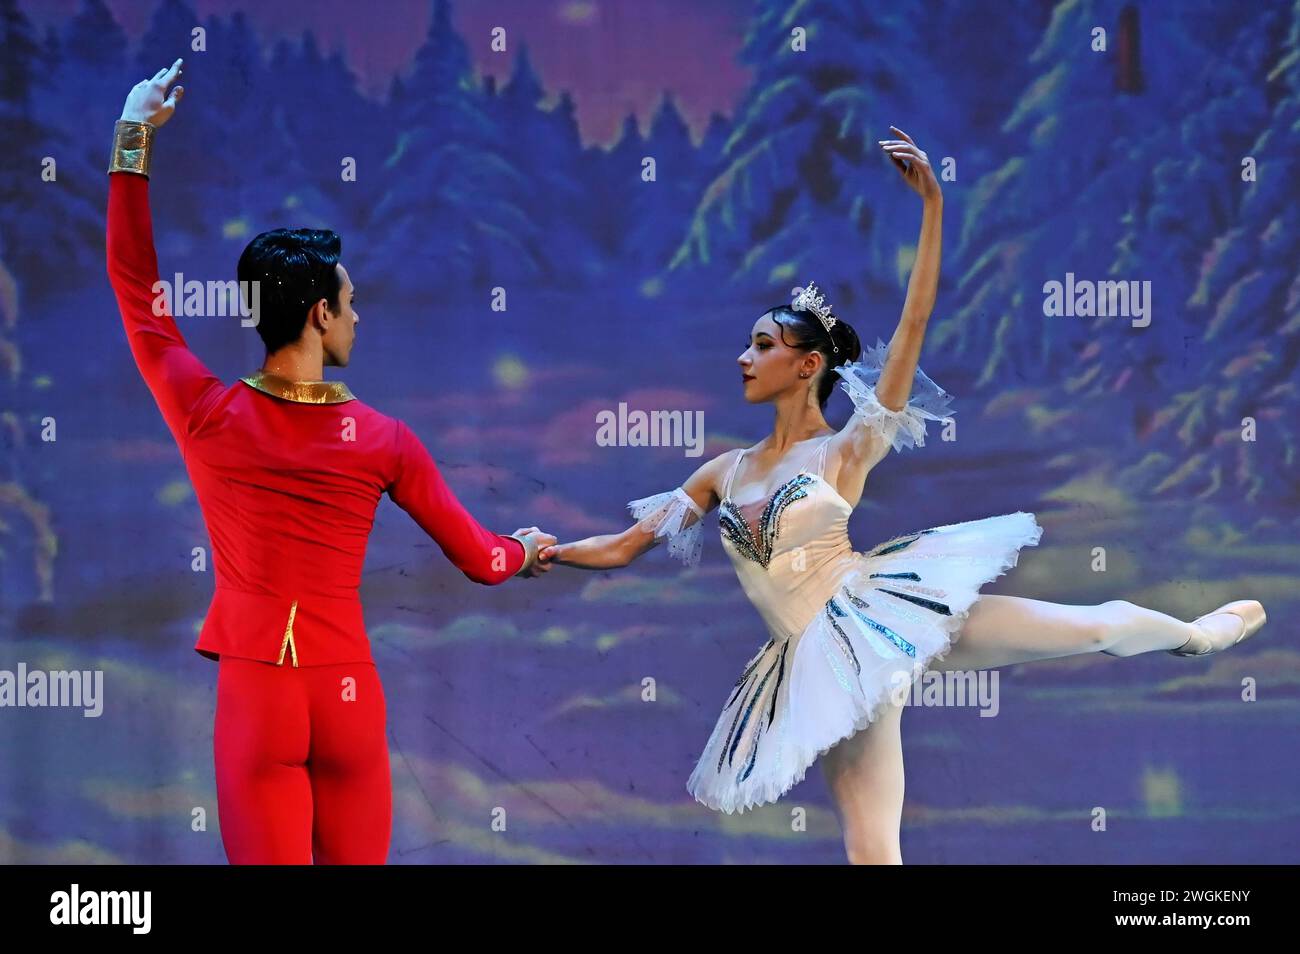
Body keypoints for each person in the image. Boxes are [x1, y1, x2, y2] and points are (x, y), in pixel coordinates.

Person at [536, 126, 1267, 864]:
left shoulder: (846, 449)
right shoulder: (722, 472)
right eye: (748, 344)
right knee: (872, 852)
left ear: (808, 364)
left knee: (1089, 628)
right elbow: (627, 545)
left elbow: (914, 325)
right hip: (813, 661)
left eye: (762, 345)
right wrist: (550, 550)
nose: (743, 357)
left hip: (881, 611)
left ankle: (1199, 635)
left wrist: (933, 210)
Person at [105, 59, 555, 864]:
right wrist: (525, 548)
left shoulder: (206, 411)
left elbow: (136, 289)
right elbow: (484, 562)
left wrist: (132, 140)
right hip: (347, 696)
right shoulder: (384, 439)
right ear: (319, 313)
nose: (358, 311)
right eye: (349, 299)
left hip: (258, 695)